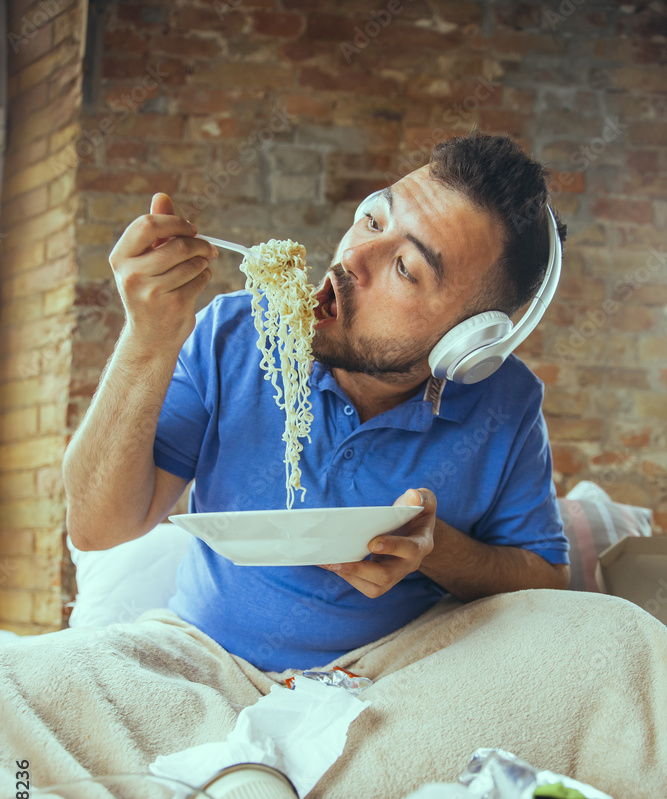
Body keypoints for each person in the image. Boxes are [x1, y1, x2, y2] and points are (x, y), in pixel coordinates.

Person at [62, 132, 570, 673]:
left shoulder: (504, 401)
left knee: (623, 640)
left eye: (405, 267)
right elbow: (97, 526)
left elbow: (546, 581)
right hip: (201, 659)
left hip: (388, 680)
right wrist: (148, 337)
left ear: (466, 344)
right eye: (374, 220)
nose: (353, 255)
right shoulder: (234, 334)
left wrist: (433, 547)